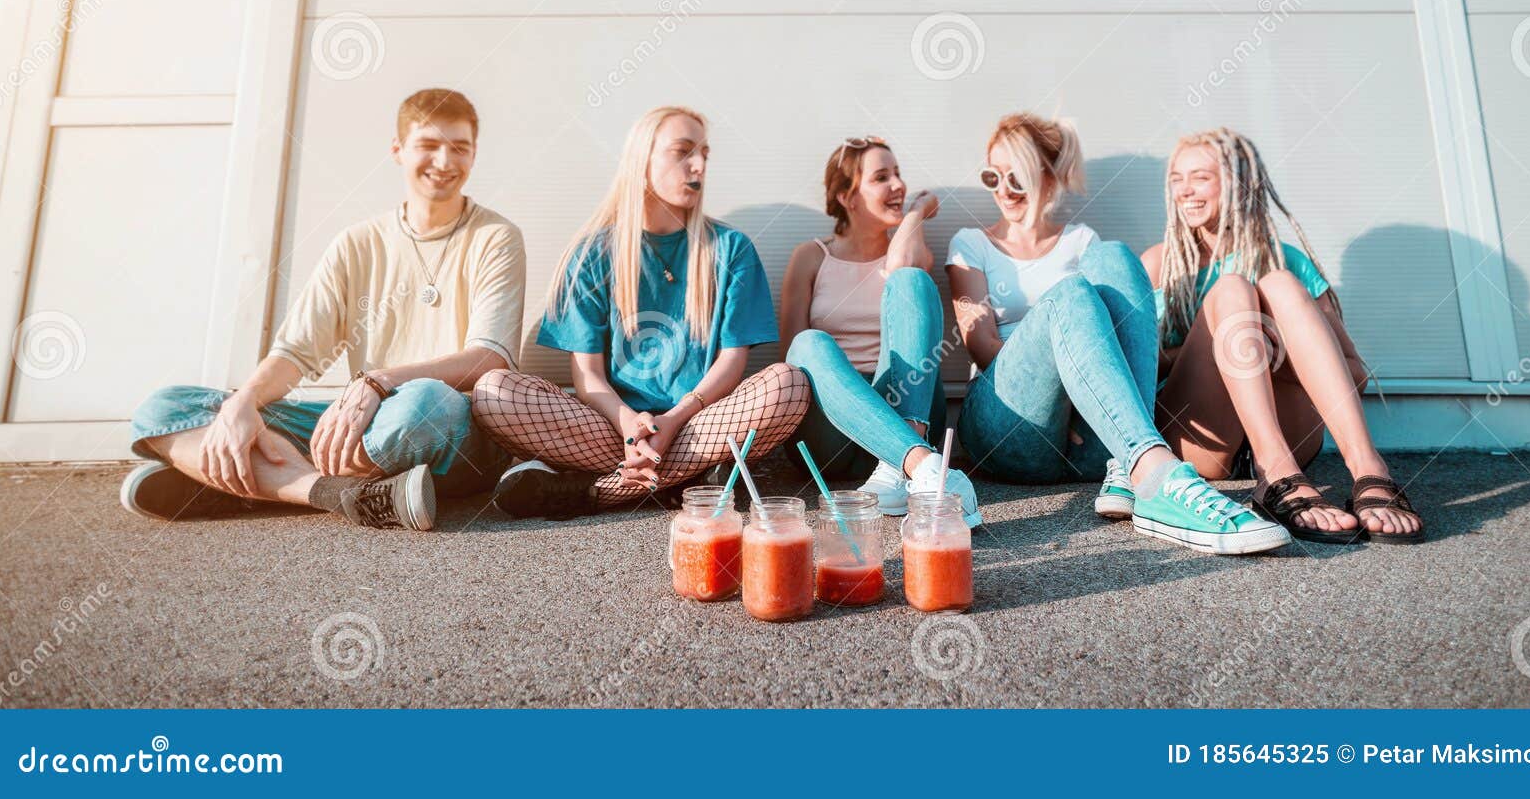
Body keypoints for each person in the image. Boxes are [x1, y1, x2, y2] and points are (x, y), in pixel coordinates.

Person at [121, 89, 524, 531]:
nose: (445, 161)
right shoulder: (357, 242)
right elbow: (294, 354)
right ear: (397, 150)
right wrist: (245, 402)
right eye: (428, 145)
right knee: (165, 408)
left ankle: (245, 484)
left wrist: (377, 381)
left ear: (474, 155)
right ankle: (341, 494)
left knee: (423, 403)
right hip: (357, 422)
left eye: (459, 148)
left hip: (446, 426)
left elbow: (490, 359)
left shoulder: (496, 237)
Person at [947, 112, 1289, 554]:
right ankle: (1157, 470)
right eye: (993, 175)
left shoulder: (1081, 242)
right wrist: (1070, 380)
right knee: (1070, 295)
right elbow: (983, 346)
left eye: (1018, 176)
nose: (1003, 189)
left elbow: (1115, 346)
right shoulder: (970, 244)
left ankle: (1133, 470)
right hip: (1008, 424)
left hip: (1094, 441)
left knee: (1115, 256)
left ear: (1049, 178)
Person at [472, 106, 810, 518]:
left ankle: (596, 493)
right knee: (493, 393)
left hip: (701, 421)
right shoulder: (591, 255)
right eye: (683, 151)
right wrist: (631, 426)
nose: (699, 165)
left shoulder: (730, 249)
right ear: (642, 161)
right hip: (610, 426)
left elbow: (733, 359)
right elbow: (588, 375)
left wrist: (676, 418)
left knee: (789, 384)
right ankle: (687, 480)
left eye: (704, 153)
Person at [1142, 128, 1424, 543]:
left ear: (1238, 183)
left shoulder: (1285, 258)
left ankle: (1368, 467)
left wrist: (1279, 357)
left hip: (1294, 436)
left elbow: (1355, 375)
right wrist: (1232, 345)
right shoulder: (1159, 264)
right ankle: (1274, 473)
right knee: (1232, 290)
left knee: (1278, 284)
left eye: (1200, 177)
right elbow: (1136, 371)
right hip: (1203, 442)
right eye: (1177, 179)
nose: (1186, 191)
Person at [780, 137, 980, 526]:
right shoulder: (809, 257)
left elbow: (902, 268)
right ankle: (921, 466)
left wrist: (915, 214)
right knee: (808, 344)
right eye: (881, 177)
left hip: (909, 405)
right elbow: (789, 359)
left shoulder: (911, 247)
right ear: (846, 196)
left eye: (899, 174)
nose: (897, 185)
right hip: (832, 426)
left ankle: (902, 461)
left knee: (911, 282)